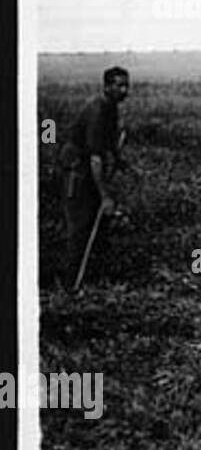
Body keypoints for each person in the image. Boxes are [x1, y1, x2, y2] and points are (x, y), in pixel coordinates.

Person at [59, 66, 131, 289]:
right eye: (118, 85)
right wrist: (105, 196)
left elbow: (106, 144)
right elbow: (95, 158)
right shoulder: (98, 110)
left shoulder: (111, 109)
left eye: (126, 85)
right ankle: (70, 284)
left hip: (89, 171)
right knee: (80, 228)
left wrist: (118, 159)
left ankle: (95, 280)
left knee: (99, 227)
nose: (123, 90)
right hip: (78, 174)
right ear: (106, 86)